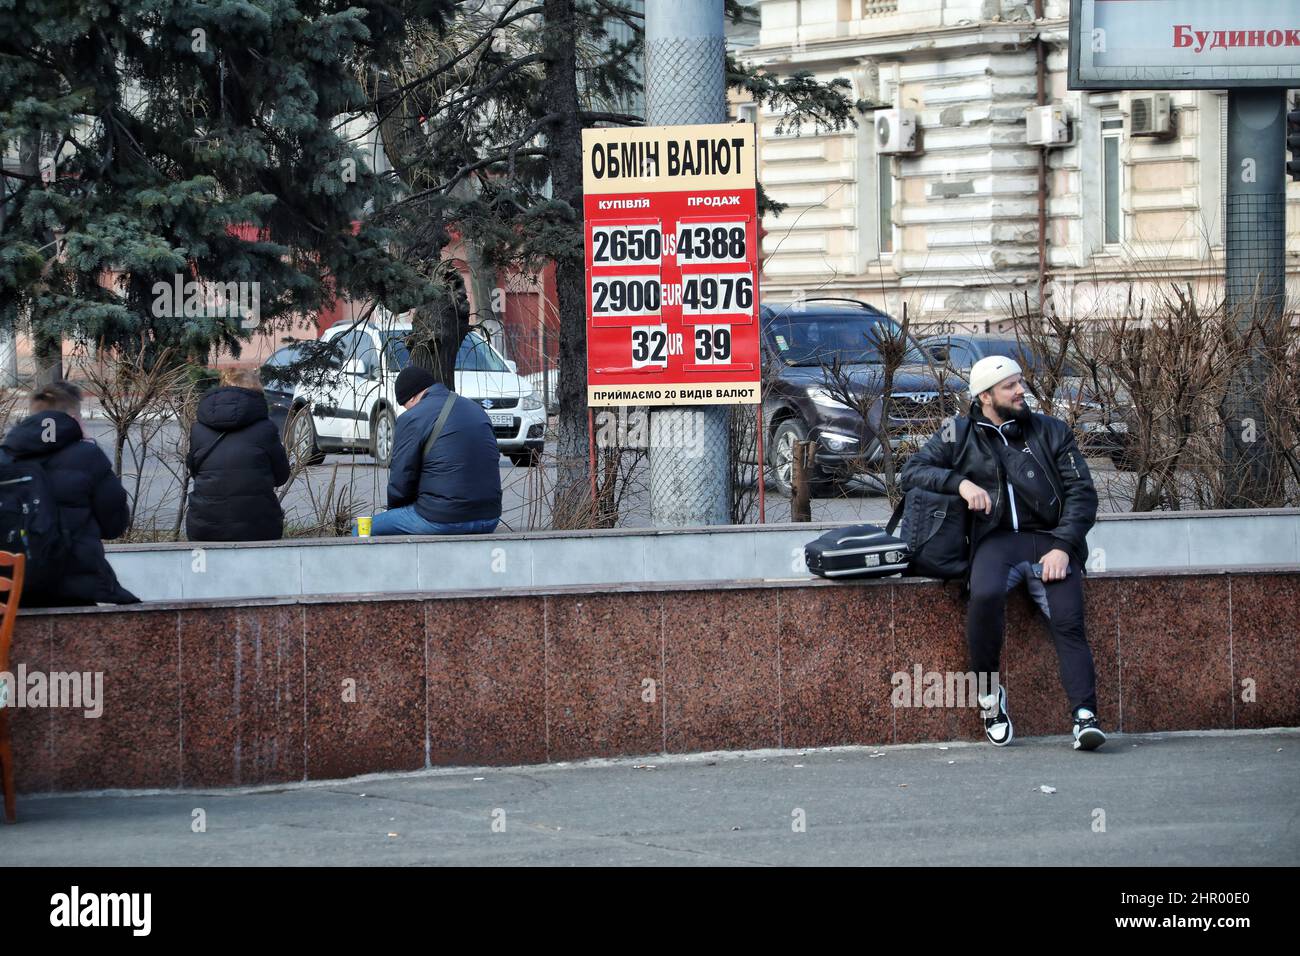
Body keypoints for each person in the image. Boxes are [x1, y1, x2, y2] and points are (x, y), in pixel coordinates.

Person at [901, 355, 1105, 751]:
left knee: (1068, 617)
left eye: (1019, 383)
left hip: (1051, 540)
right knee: (986, 595)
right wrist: (959, 483)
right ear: (985, 396)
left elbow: (1083, 494)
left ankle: (1085, 716)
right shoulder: (956, 433)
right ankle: (990, 698)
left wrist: (1064, 547)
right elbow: (913, 471)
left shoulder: (1051, 430)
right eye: (1010, 386)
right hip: (995, 540)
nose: (1020, 391)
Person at [0, 381, 138, 606]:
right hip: (75, 588)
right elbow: (114, 525)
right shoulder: (88, 456)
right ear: (73, 418)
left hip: (11, 591)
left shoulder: (4, 458)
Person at [372, 366, 502, 535]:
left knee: (362, 531)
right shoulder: (477, 410)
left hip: (442, 518)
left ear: (412, 397)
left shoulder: (413, 417)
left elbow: (402, 478)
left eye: (406, 406)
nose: (407, 411)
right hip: (489, 518)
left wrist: (394, 511)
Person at [187, 368, 291, 542]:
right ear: (257, 395)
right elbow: (281, 476)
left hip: (204, 527)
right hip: (259, 527)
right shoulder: (266, 429)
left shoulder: (198, 429)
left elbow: (195, 471)